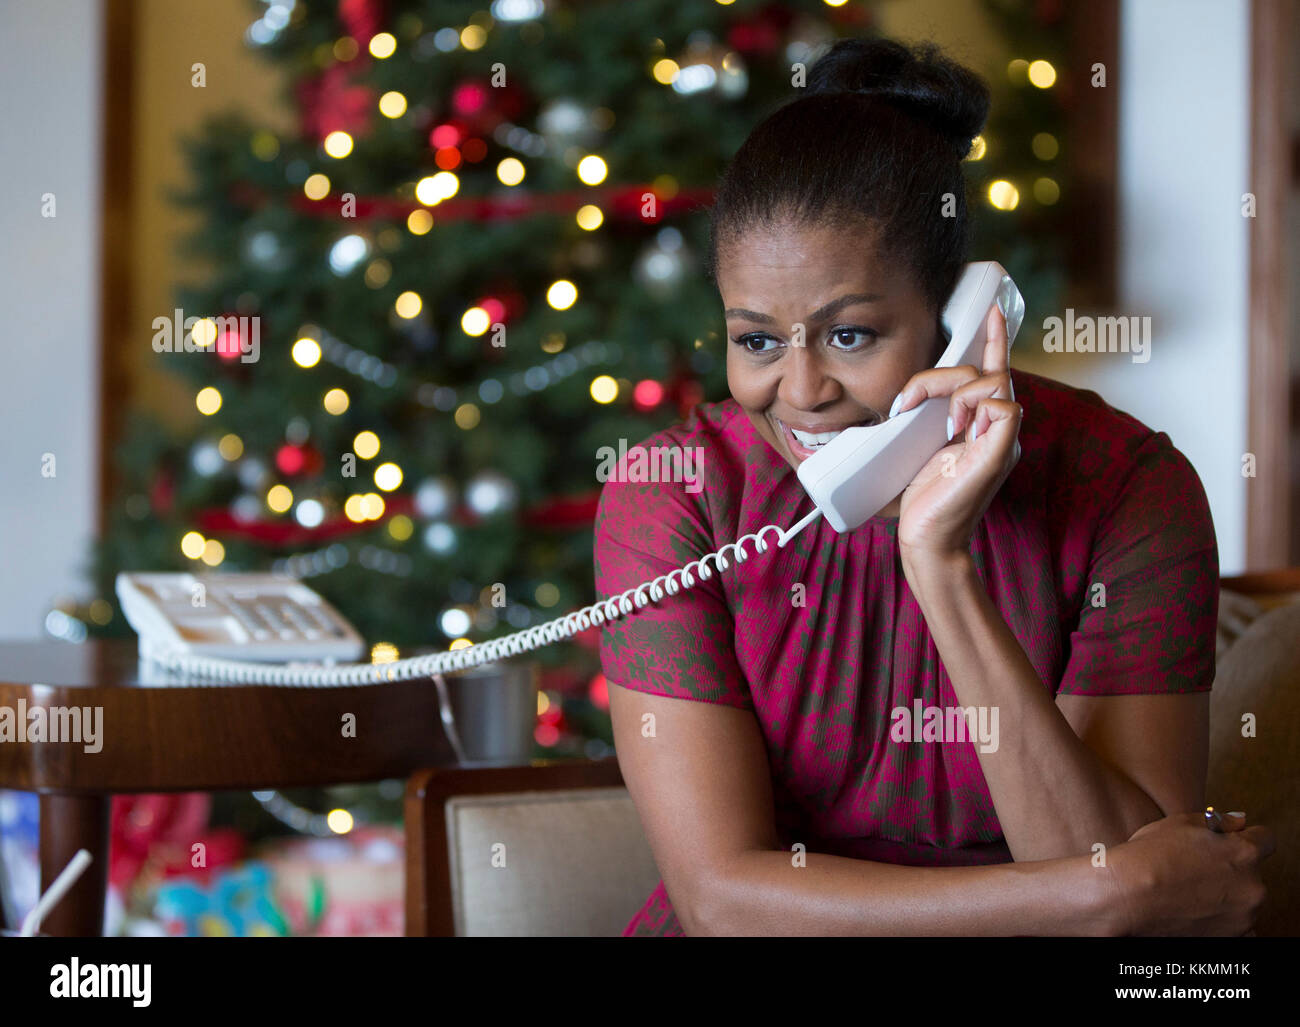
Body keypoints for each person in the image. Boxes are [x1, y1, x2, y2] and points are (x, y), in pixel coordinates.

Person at [592, 36, 1273, 936]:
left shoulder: (1128, 489)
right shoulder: (673, 496)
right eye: (757, 340)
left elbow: (1133, 905)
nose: (798, 393)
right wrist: (1103, 893)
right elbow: (723, 904)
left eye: (851, 335)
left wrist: (939, 563)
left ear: (962, 317)